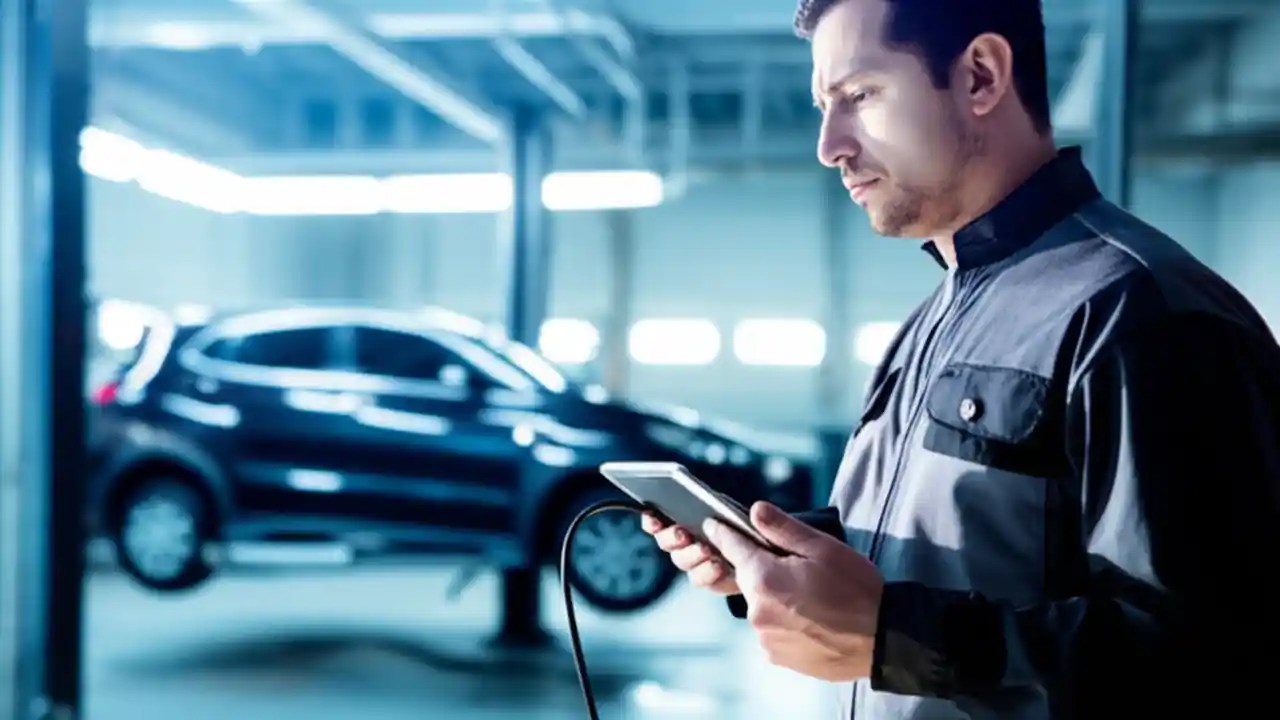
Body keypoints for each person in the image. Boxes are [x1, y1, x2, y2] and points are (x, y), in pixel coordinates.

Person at [641, 0, 1280, 718]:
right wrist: (778, 560)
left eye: (859, 96)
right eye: (826, 105)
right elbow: (977, 545)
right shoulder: (931, 320)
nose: (829, 144)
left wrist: (896, 635)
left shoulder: (1141, 315)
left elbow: (1214, 659)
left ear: (980, 76)